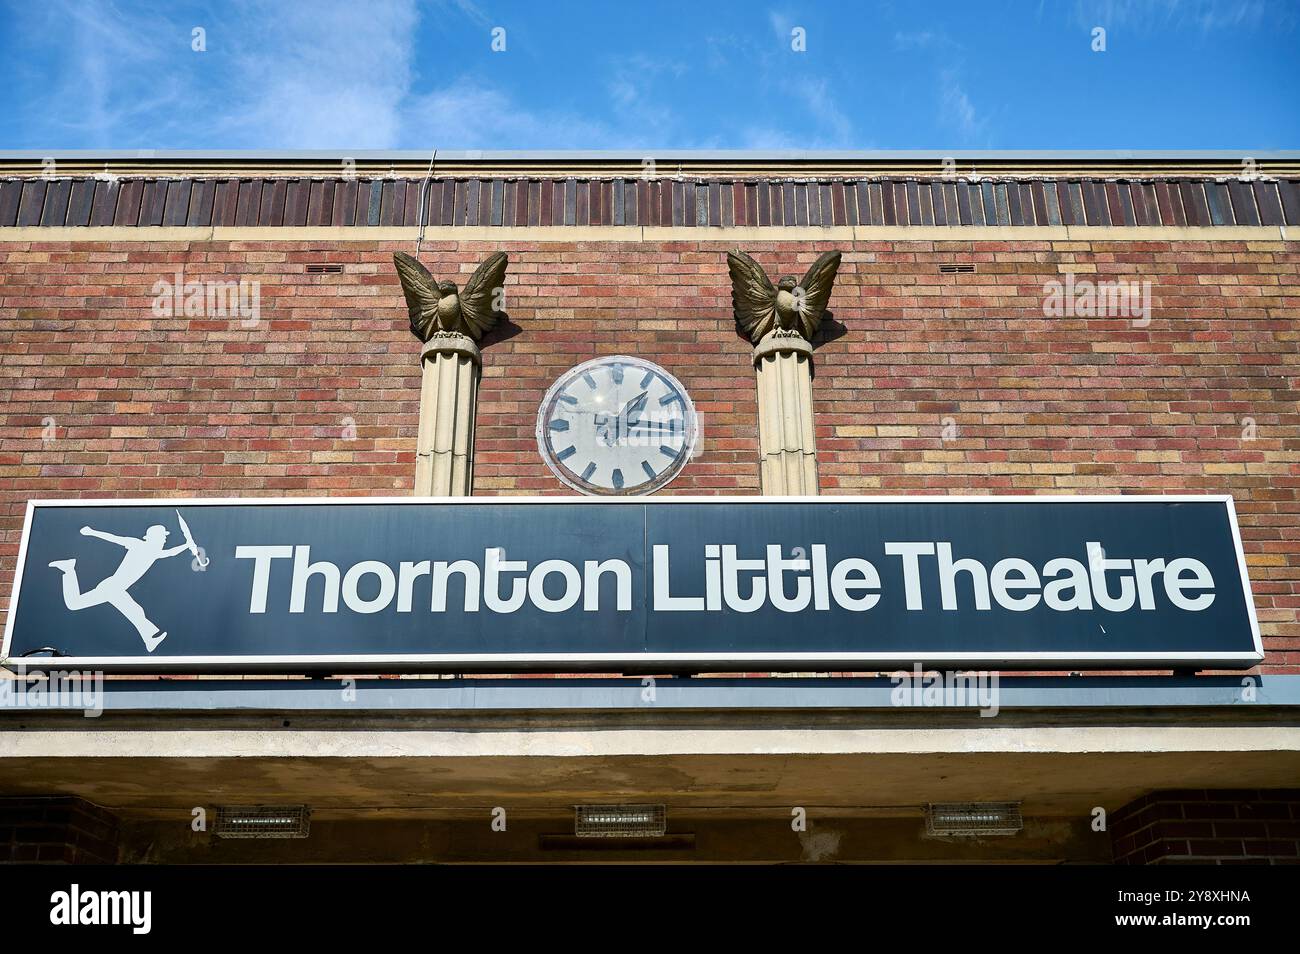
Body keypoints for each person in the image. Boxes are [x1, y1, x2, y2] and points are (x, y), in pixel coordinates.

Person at [48, 524, 191, 653]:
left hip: (114, 588)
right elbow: (114, 538)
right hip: (112, 587)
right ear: (152, 537)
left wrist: (186, 545)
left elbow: (171, 552)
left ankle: (150, 639)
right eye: (162, 537)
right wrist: (92, 532)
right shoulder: (137, 544)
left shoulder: (154, 553)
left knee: (134, 610)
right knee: (76, 604)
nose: (164, 540)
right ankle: (68, 569)